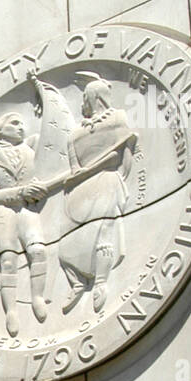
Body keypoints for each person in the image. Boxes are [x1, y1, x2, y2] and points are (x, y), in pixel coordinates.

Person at [56, 74, 137, 314]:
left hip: (107, 182)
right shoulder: (75, 134)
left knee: (103, 232)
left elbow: (126, 154)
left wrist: (118, 178)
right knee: (65, 244)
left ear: (95, 97)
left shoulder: (118, 118)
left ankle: (101, 282)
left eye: (86, 98)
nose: (83, 103)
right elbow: (74, 168)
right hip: (80, 191)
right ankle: (77, 282)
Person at [0, 111, 49, 336]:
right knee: (8, 262)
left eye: (22, 123)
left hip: (28, 210)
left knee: (38, 251)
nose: (21, 127)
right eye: (15, 123)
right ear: (0, 130)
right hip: (5, 212)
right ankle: (11, 311)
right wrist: (21, 191)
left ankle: (38, 297)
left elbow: (52, 138)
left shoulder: (31, 149)